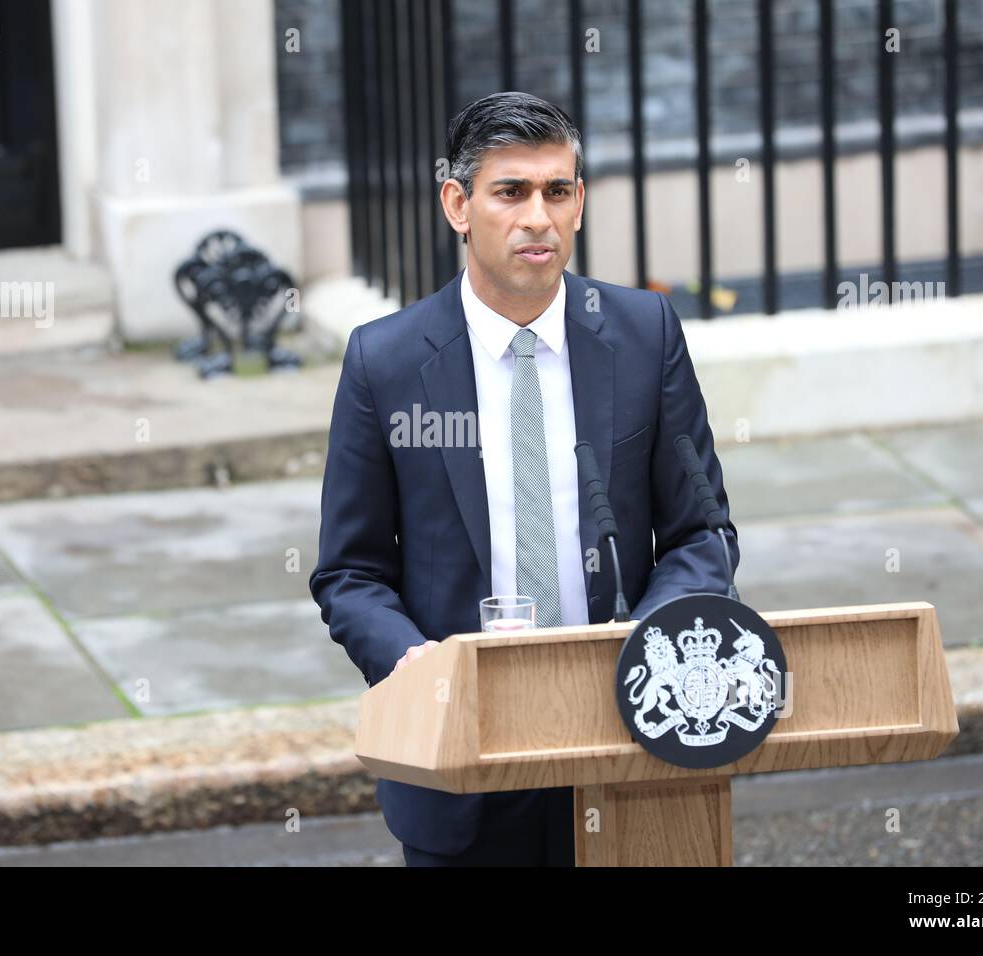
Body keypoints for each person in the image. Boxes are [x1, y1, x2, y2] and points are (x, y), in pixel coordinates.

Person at [309, 90, 738, 866]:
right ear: (457, 204)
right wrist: (421, 669)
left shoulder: (645, 335)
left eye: (558, 190)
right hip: (465, 761)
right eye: (511, 192)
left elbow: (701, 533)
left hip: (623, 736)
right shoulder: (387, 362)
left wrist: (655, 640)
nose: (538, 217)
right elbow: (351, 572)